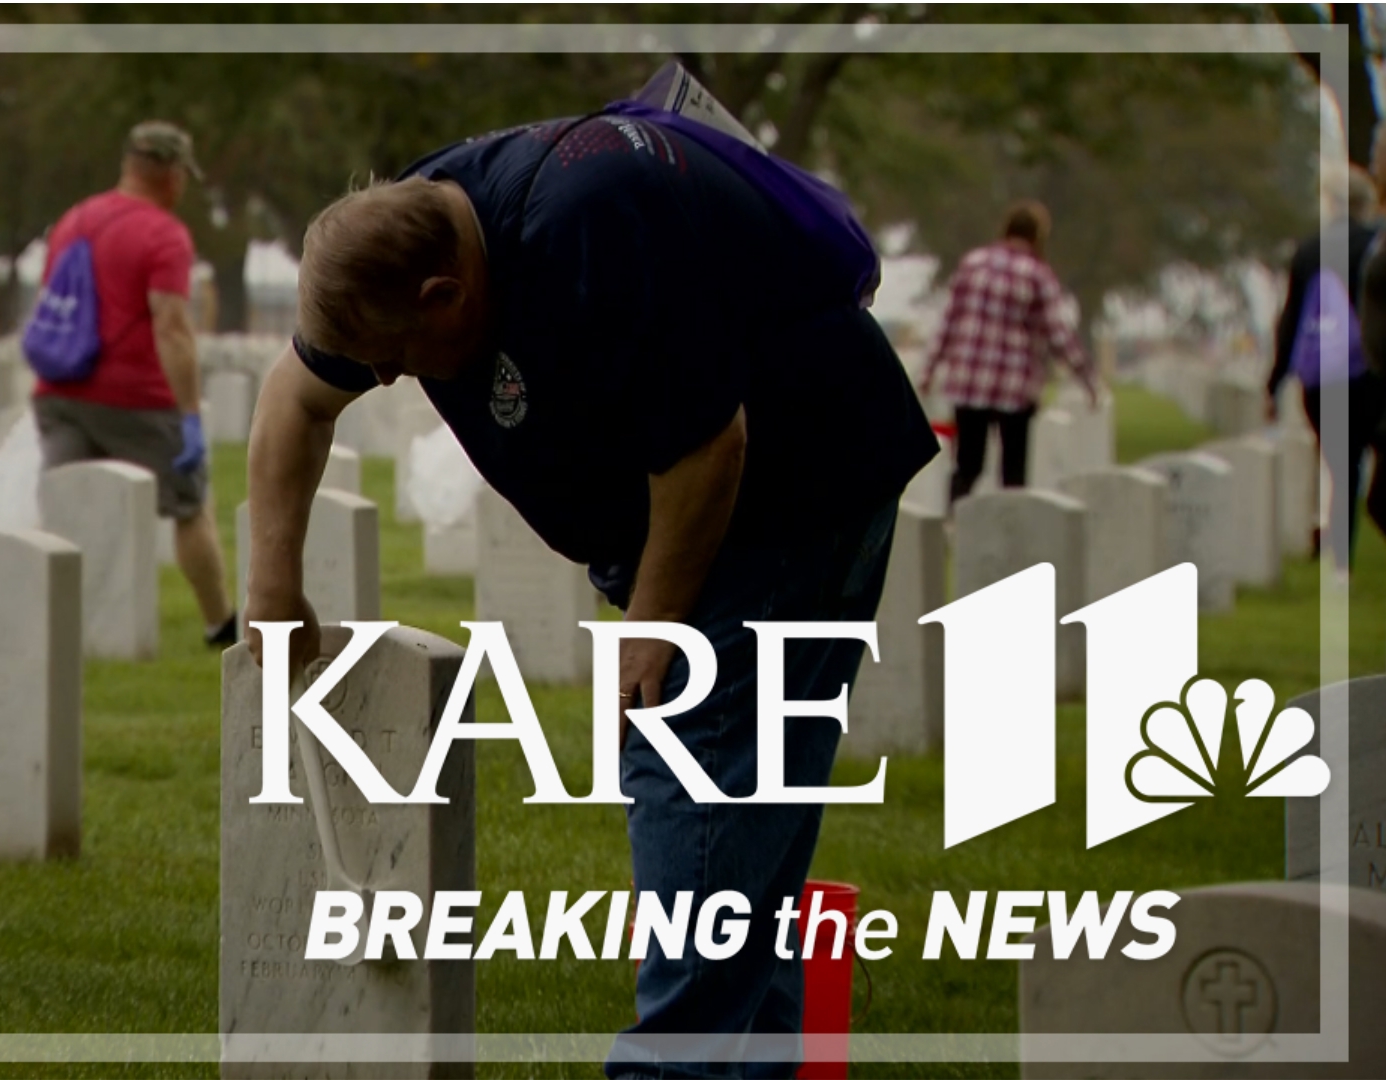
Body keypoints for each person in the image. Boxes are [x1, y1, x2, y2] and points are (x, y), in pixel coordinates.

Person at [242, 113, 936, 1078]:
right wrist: (272, 583)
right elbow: (295, 397)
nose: (392, 376)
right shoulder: (412, 223)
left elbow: (707, 450)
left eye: (398, 355)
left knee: (698, 786)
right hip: (715, 504)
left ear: (447, 294)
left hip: (793, 500)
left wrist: (652, 633)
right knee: (745, 823)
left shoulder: (591, 229)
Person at [33, 121, 236, 647]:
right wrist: (189, 412)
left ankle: (57, 622)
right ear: (171, 175)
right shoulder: (163, 233)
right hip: (135, 397)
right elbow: (170, 323)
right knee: (190, 507)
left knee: (68, 508)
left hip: (59, 390)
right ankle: (220, 624)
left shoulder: (73, 219)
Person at [918, 201, 1099, 507]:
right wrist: (1088, 379)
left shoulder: (973, 263)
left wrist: (929, 369)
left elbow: (949, 320)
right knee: (1012, 474)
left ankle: (949, 524)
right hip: (1013, 387)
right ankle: (1011, 530)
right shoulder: (1037, 274)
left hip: (968, 382)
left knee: (967, 467)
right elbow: (1057, 333)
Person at [1280, 160, 1386, 572]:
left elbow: (1292, 319)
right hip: (1368, 373)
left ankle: (1334, 549)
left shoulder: (1310, 250)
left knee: (1339, 463)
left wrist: (1277, 380)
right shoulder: (1376, 246)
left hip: (1322, 373)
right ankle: (1338, 550)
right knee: (1356, 464)